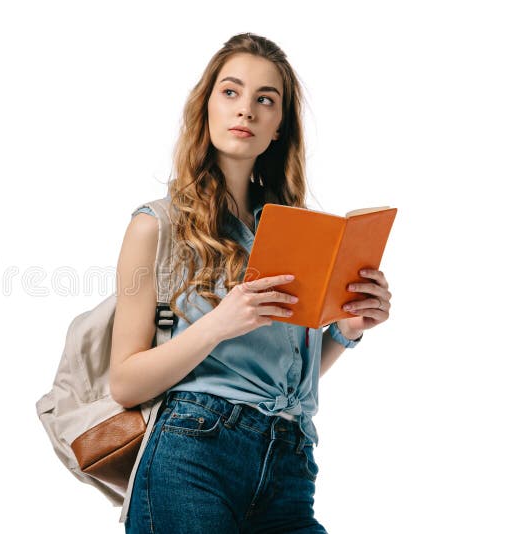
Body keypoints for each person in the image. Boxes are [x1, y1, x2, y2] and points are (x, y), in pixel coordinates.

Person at [110, 32, 392, 534]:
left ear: (279, 126)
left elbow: (280, 379)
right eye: (231, 92)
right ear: (206, 106)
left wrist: (347, 328)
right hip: (193, 456)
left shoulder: (295, 233)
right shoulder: (156, 226)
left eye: (266, 99)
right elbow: (125, 381)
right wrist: (218, 324)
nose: (247, 111)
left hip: (290, 463)